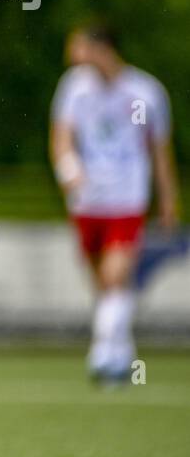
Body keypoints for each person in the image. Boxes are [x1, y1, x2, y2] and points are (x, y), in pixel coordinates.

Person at [49, 22, 180, 384]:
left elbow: (159, 152)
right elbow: (61, 139)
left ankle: (104, 354)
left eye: (80, 49)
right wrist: (69, 171)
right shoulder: (73, 89)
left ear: (102, 48)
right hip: (87, 200)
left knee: (115, 275)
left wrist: (168, 199)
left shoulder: (146, 92)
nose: (73, 58)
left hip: (127, 197)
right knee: (103, 284)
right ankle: (121, 349)